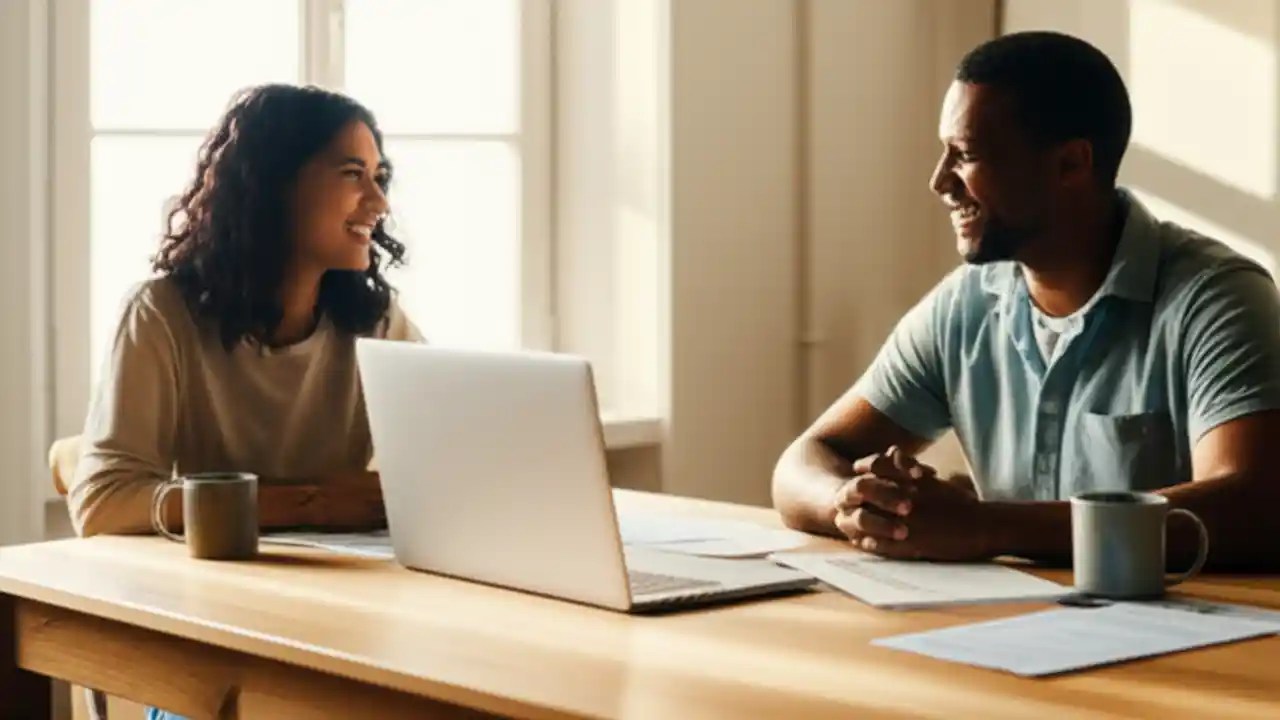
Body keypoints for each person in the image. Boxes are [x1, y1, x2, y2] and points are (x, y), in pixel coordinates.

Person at [772, 31, 1280, 569]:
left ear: (1070, 164)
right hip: (1010, 628)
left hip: (1196, 642)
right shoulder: (962, 308)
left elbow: (1253, 504)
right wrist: (851, 505)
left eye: (965, 155)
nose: (940, 180)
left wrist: (986, 527)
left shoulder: (1218, 298)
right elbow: (805, 461)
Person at [68, 83, 421, 539]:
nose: (379, 202)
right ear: (274, 183)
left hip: (336, 584)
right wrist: (313, 503)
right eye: (353, 174)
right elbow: (102, 504)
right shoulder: (163, 314)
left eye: (379, 177)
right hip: (208, 581)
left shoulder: (378, 322)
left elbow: (449, 461)